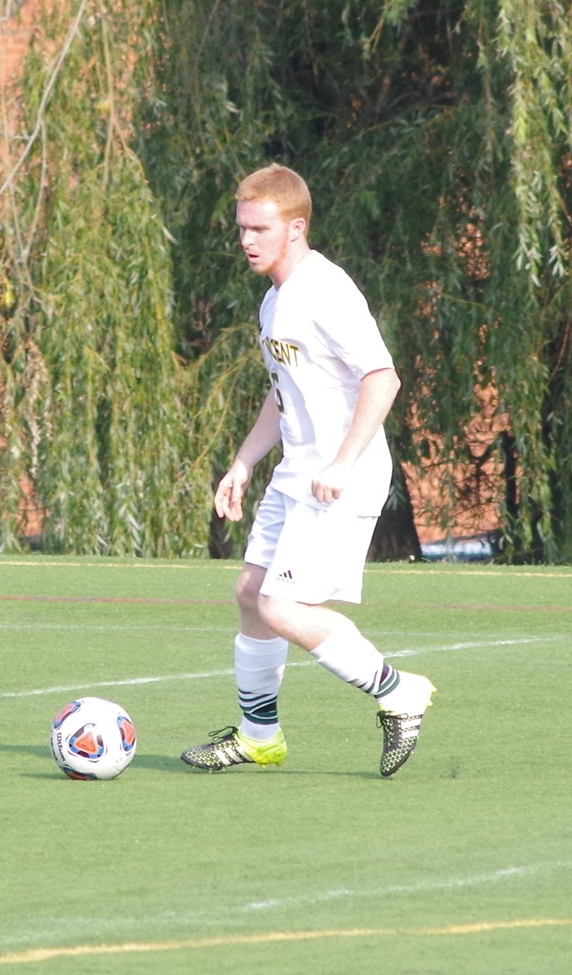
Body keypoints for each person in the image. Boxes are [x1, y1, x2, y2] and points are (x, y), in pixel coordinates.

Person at [180, 164, 436, 778]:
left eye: (259, 229)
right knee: (249, 594)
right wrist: (243, 462)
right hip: (296, 471)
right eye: (241, 228)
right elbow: (283, 392)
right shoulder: (274, 301)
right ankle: (258, 736)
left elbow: (383, 377)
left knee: (281, 607)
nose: (246, 240)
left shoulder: (327, 291)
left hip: (340, 474)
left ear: (295, 228)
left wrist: (342, 462)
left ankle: (399, 692)